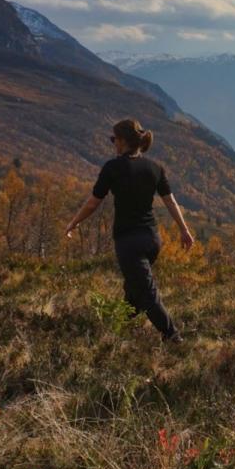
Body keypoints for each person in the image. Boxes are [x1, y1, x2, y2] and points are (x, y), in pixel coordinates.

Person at [65, 118, 195, 343]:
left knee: (146, 292)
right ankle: (120, 328)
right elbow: (171, 202)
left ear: (123, 141)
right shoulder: (155, 168)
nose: (113, 143)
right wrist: (184, 230)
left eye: (114, 139)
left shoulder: (113, 168)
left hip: (128, 241)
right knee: (134, 287)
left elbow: (93, 203)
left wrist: (74, 222)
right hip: (152, 240)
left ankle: (173, 336)